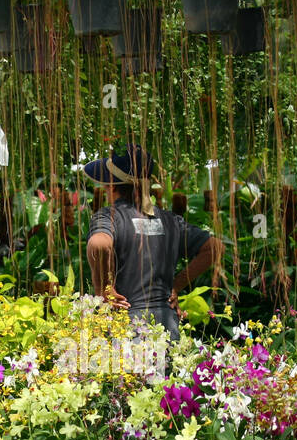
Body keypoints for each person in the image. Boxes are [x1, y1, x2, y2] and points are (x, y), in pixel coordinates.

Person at [84, 144, 223, 340]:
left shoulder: (109, 217)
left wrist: (104, 289)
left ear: (112, 186)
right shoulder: (170, 220)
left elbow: (99, 244)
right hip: (167, 329)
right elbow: (215, 247)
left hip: (127, 329)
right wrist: (176, 285)